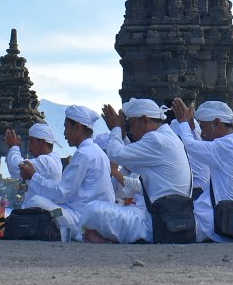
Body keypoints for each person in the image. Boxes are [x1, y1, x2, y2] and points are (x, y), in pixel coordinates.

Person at [80, 99, 194, 244]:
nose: (131, 131)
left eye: (131, 124)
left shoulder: (156, 139)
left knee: (92, 210)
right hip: (169, 219)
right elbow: (131, 163)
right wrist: (120, 135)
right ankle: (110, 238)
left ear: (145, 120)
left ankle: (112, 238)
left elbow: (115, 154)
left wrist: (116, 128)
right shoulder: (169, 138)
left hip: (156, 223)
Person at [22, 104, 114, 240]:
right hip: (93, 217)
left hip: (79, 219)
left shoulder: (84, 154)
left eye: (66, 127)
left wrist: (33, 176)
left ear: (77, 127)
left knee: (36, 201)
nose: (64, 133)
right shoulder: (98, 152)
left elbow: (61, 193)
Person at [170, 98, 233, 243]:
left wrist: (182, 122)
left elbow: (190, 145)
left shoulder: (226, 146)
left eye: (204, 125)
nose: (203, 130)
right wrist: (191, 127)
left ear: (217, 123)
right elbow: (200, 147)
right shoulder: (229, 143)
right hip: (223, 211)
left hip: (223, 215)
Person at [4, 123, 63, 209]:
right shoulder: (54, 160)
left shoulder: (46, 161)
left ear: (42, 143)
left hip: (37, 217)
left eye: (31, 142)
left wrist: (14, 147)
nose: (29, 147)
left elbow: (16, 167)